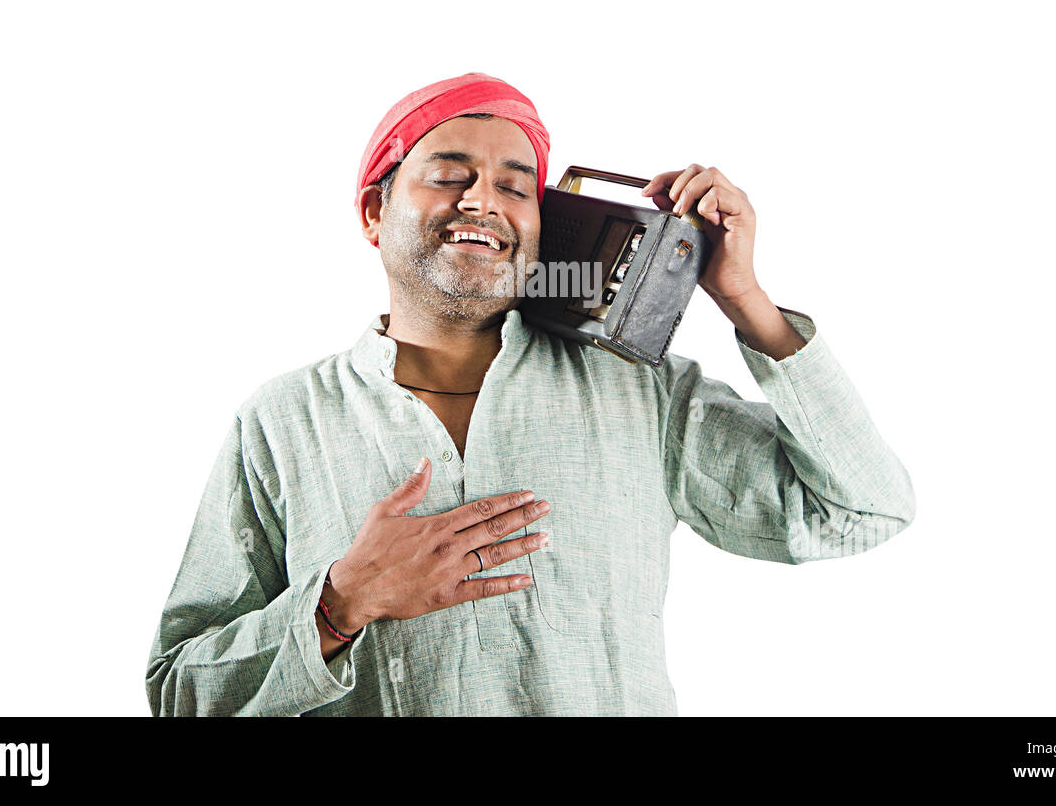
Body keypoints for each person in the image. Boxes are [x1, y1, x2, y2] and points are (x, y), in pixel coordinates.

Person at [145, 72, 915, 716]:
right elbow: (179, 692)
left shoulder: (637, 392)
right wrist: (338, 604)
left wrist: (746, 300)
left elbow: (861, 510)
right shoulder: (282, 423)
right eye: (449, 175)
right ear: (375, 213)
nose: (483, 200)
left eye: (515, 187)